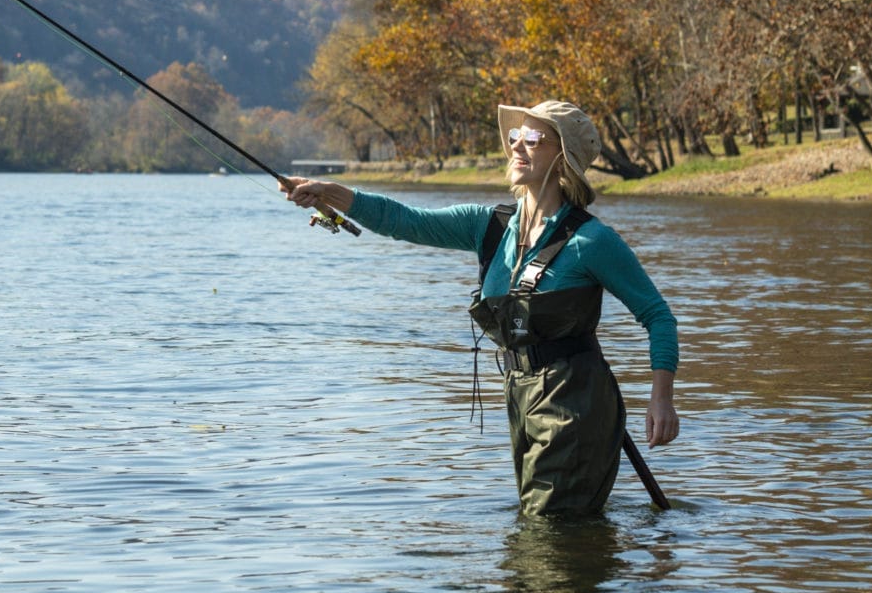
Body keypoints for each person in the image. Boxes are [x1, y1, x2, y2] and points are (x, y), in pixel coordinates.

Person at [283, 100, 679, 515]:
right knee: (543, 529)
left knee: (546, 530)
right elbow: (403, 220)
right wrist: (328, 193)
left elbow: (658, 317)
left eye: (533, 139)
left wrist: (661, 400)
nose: (517, 148)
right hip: (520, 395)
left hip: (574, 403)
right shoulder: (487, 226)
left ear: (563, 159)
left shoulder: (593, 243)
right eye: (514, 138)